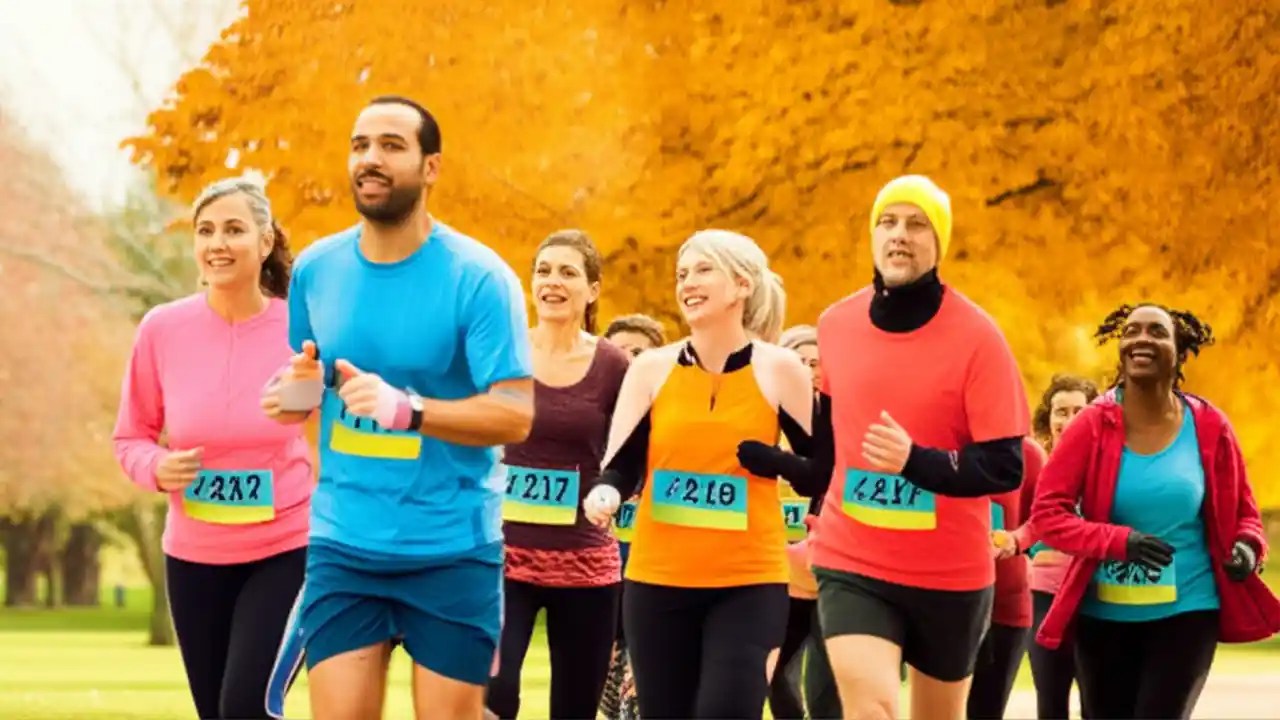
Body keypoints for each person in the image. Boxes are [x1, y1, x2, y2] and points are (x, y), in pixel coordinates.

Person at [261, 95, 534, 720]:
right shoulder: (316, 271)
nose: (370, 160)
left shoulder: (479, 277)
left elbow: (515, 413)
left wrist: (411, 410)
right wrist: (295, 393)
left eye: (390, 145)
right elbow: (317, 375)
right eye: (360, 146)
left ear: (431, 166)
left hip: (452, 548)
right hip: (344, 545)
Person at [809, 175, 1030, 719]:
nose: (899, 235)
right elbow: (824, 444)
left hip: (949, 574)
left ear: (939, 243)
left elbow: (1005, 466)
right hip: (852, 558)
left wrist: (915, 462)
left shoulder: (979, 338)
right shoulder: (835, 325)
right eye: (887, 222)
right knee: (871, 709)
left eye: (916, 224)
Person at [582, 229, 816, 718]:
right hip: (658, 581)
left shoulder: (781, 369)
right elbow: (622, 464)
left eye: (702, 270)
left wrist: (774, 463)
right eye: (681, 274)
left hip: (749, 582)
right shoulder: (650, 369)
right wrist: (605, 492)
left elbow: (822, 473)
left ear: (742, 284)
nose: (687, 282)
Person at [113, 176, 310, 720]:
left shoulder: (301, 327)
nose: (217, 242)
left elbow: (335, 421)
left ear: (265, 241)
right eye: (205, 230)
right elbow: (130, 436)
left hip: (286, 549)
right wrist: (158, 466)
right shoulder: (162, 329)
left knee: (245, 707)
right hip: (194, 557)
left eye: (233, 229)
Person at [1032, 303, 1280, 719]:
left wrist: (1247, 548)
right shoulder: (1090, 426)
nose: (1142, 338)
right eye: (1131, 331)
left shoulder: (1209, 426)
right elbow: (1047, 515)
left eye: (1156, 331)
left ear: (1179, 352)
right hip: (1103, 614)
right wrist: (1118, 542)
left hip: (1187, 609)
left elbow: (1245, 515)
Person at [485, 230, 630, 719]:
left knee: (574, 709)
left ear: (592, 289)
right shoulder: (501, 351)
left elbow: (634, 456)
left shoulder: (615, 366)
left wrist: (614, 490)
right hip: (501, 558)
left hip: (585, 564)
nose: (553, 281)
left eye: (568, 272)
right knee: (493, 695)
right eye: (543, 270)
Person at [1012, 374, 1098, 719]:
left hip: (1095, 598)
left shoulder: (1110, 468)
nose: (1069, 420)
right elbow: (1020, 525)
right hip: (1043, 596)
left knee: (1098, 703)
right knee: (1050, 701)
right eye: (1061, 411)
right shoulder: (1036, 467)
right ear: (1048, 419)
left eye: (1080, 410)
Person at [598, 313, 667, 720]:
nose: (628, 361)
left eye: (639, 353)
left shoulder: (670, 423)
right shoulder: (582, 422)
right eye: (619, 351)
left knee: (639, 702)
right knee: (607, 703)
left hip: (653, 582)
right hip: (597, 587)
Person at [969, 436, 1047, 719]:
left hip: (1006, 606)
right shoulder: (938, 447)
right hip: (945, 603)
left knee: (986, 710)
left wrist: (1017, 540)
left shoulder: (1028, 454)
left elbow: (1042, 520)